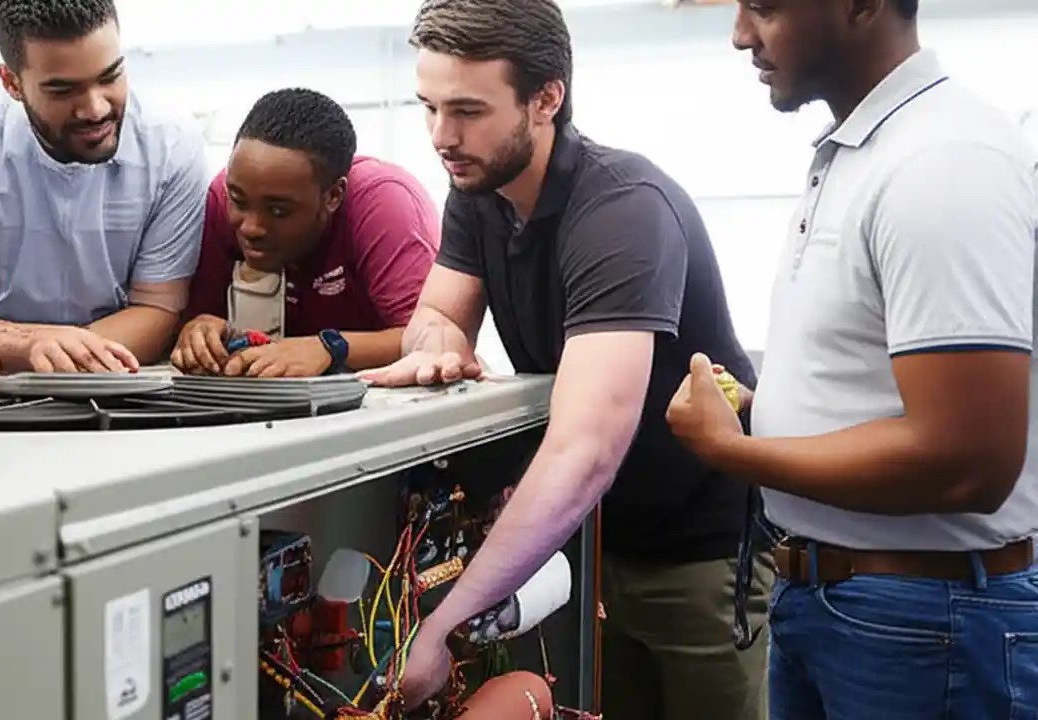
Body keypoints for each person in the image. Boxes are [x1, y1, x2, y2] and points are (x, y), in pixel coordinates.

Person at [362, 1, 770, 717]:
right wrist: (441, 345)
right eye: (427, 108)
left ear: (546, 97)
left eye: (467, 110)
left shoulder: (621, 211)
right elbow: (431, 318)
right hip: (590, 544)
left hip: (699, 555)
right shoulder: (480, 192)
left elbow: (586, 449)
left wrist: (445, 624)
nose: (440, 137)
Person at [666, 1, 1038, 719]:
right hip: (842, 604)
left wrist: (735, 450)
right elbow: (874, 383)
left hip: (924, 622)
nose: (741, 33)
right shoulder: (868, 150)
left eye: (764, 7)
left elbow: (967, 459)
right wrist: (762, 408)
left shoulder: (942, 163)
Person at [0, 0, 209, 374]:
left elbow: (158, 312)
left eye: (110, 77)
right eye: (63, 91)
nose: (95, 109)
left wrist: (63, 353)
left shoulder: (173, 147)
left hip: (122, 376)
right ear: (11, 82)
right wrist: (31, 344)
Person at [173, 88, 440, 377]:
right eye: (238, 200)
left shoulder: (385, 205)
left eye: (279, 211)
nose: (250, 227)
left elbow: (431, 339)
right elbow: (204, 317)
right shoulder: (221, 197)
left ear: (334, 195)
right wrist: (201, 330)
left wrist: (330, 347)